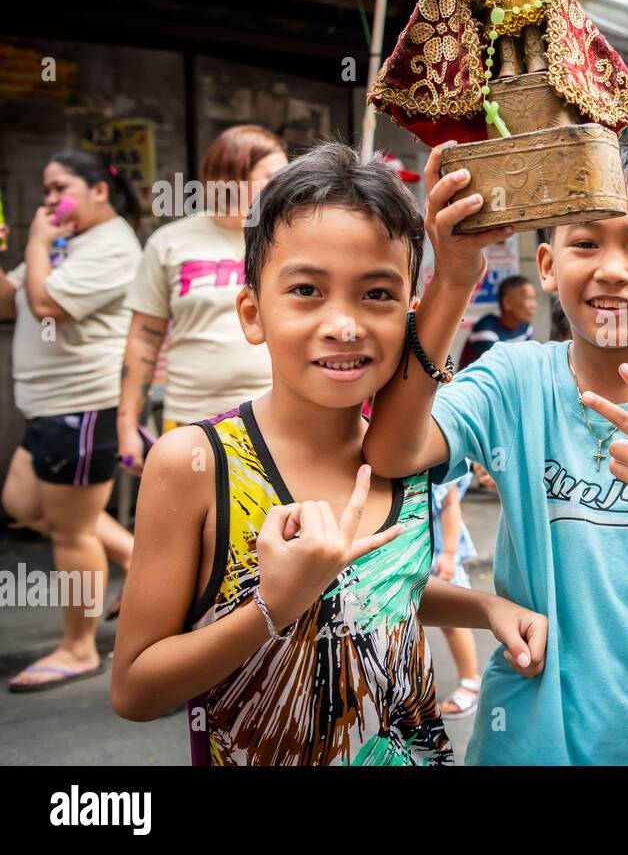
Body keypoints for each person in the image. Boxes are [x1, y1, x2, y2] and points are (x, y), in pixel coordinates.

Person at [110, 144, 546, 765]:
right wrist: (273, 608)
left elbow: (378, 588)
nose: (343, 324)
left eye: (376, 295)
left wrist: (487, 606)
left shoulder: (401, 455)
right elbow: (133, 688)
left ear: (409, 316)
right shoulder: (197, 464)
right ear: (252, 313)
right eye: (308, 290)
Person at [362, 140, 628, 765]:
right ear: (548, 266)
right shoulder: (513, 378)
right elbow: (391, 453)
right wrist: (452, 278)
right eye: (586, 244)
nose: (612, 269)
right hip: (521, 742)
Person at [1, 150, 142, 693]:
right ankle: (136, 557)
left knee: (72, 530)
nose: (49, 202)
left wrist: (34, 243)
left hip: (83, 405)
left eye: (59, 188)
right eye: (44, 191)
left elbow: (46, 306)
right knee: (23, 505)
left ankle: (79, 648)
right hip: (45, 405)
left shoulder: (112, 245)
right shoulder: (70, 241)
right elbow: (13, 299)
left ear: (98, 191)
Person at [117, 125, 286, 476]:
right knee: (188, 524)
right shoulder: (170, 242)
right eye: (271, 177)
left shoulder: (287, 241)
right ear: (230, 178)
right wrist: (126, 425)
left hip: (275, 418)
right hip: (190, 420)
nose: (283, 186)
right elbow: (144, 338)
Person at [431, 466, 482, 718]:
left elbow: (449, 505)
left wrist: (449, 554)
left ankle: (470, 681)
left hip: (438, 552)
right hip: (398, 550)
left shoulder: (434, 459)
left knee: (453, 621)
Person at [457, 274, 536, 369]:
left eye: (534, 298)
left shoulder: (526, 328)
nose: (534, 305)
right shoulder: (486, 329)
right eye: (528, 298)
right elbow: (497, 370)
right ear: (507, 303)